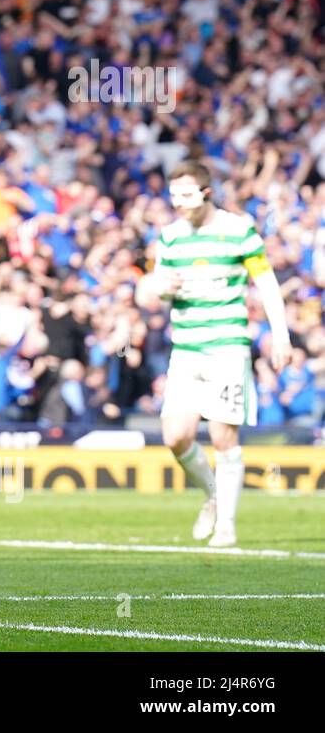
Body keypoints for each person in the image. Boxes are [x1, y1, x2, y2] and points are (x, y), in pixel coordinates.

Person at [135, 161, 291, 548]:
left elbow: (266, 282)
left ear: (206, 192)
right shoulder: (170, 237)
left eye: (186, 195)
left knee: (222, 435)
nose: (179, 204)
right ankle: (213, 495)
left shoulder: (238, 229)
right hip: (185, 348)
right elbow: (152, 291)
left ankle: (227, 526)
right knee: (175, 436)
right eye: (174, 196)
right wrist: (158, 286)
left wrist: (281, 334)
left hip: (226, 345)